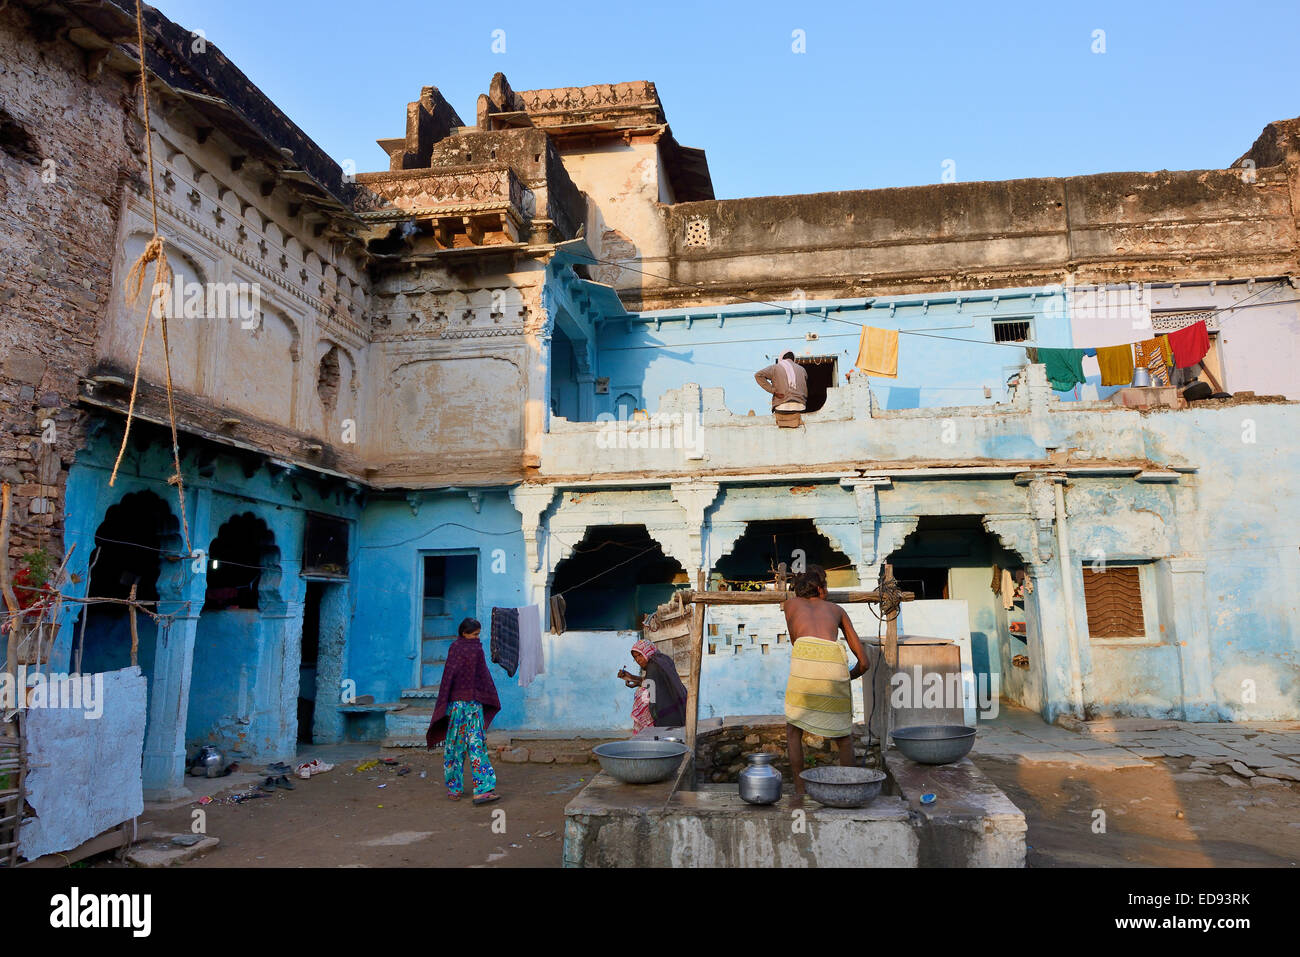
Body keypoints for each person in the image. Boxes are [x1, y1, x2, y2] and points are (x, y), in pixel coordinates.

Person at [782, 565, 868, 794]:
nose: (828, 591)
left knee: (793, 730)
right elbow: (864, 662)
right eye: (827, 586)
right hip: (835, 671)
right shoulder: (837, 610)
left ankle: (800, 790)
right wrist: (843, 678)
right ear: (821, 589)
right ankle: (849, 789)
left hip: (804, 668)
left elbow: (796, 642)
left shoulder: (789, 605)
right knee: (844, 737)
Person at [426, 618, 502, 805]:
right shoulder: (476, 649)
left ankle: (454, 789)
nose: (477, 638)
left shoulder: (454, 648)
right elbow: (483, 675)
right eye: (475, 634)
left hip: (456, 707)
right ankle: (482, 790)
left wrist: (445, 703)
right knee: (477, 746)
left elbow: (448, 677)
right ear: (465, 633)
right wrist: (488, 696)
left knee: (454, 747)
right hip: (473, 706)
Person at [617, 638, 689, 730]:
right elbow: (654, 682)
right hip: (678, 709)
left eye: (640, 655)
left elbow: (652, 697)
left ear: (647, 651)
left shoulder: (652, 667)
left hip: (666, 715)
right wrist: (631, 677)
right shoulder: (662, 659)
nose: (638, 659)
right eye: (635, 657)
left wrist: (653, 716)